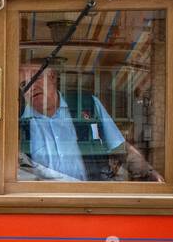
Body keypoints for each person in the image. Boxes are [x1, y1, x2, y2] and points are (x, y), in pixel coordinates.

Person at [18, 58, 161, 182]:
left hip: (90, 197)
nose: (31, 88)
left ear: (52, 77)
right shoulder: (19, 122)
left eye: (36, 78)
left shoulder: (87, 104)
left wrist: (148, 174)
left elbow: (119, 147)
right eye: (25, 85)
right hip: (41, 201)